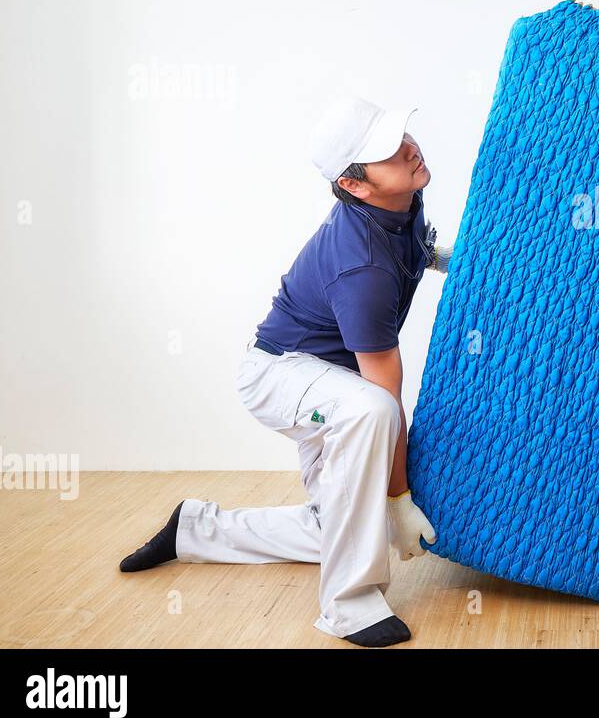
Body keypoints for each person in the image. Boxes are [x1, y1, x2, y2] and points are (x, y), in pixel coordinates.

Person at [118, 96, 453, 646]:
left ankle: (196, 530)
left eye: (401, 136)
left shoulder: (399, 201)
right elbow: (385, 396)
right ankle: (350, 606)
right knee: (371, 415)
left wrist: (449, 260)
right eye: (387, 152)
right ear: (355, 186)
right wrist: (398, 498)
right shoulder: (361, 266)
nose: (408, 149)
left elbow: (414, 247)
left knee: (342, 527)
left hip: (330, 379)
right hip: (282, 376)